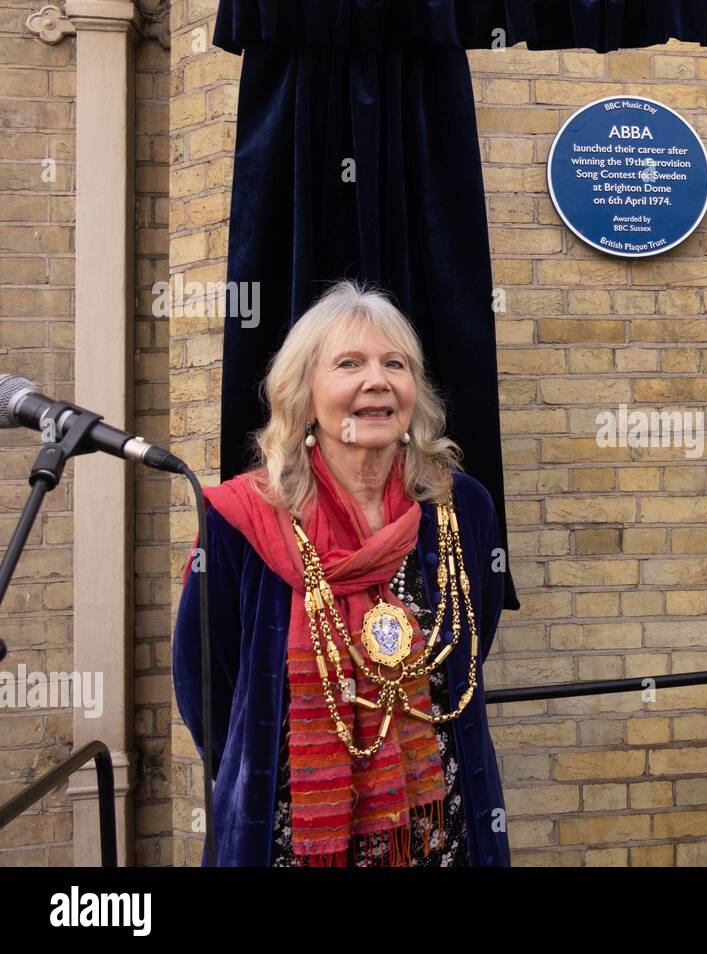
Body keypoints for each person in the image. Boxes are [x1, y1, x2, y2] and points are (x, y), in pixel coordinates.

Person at [173, 278, 510, 866]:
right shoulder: (240, 521)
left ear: (413, 392)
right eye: (349, 363)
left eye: (395, 364)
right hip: (287, 837)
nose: (376, 381)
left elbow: (466, 648)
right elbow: (205, 680)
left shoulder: (464, 509)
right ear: (304, 394)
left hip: (436, 830)